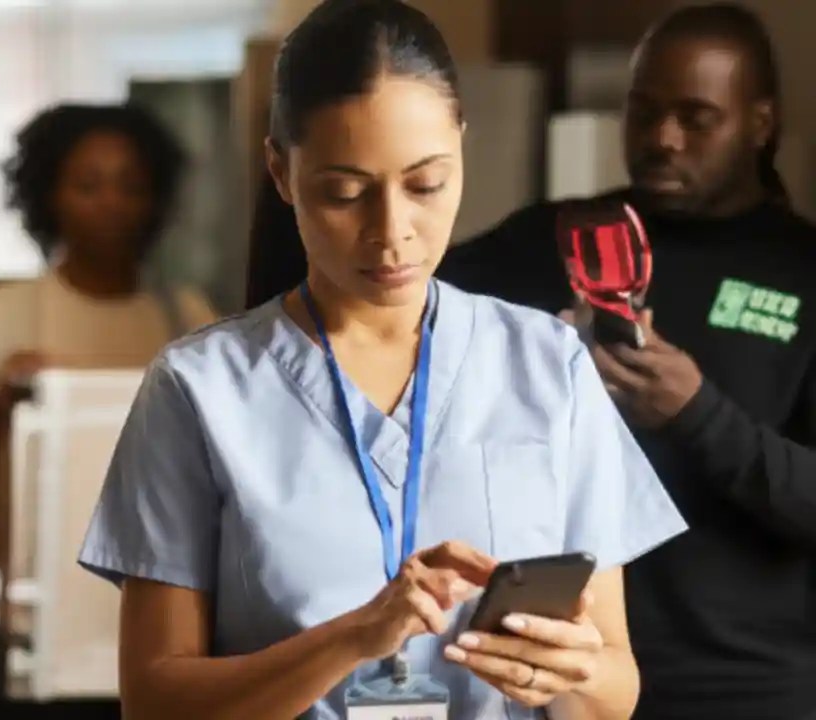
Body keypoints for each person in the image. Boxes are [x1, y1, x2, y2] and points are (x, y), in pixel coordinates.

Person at [75, 2, 687, 719]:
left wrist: (571, 672)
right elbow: (154, 704)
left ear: (461, 146)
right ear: (281, 171)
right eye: (344, 193)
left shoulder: (549, 366)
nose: (392, 231)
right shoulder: (198, 391)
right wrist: (353, 638)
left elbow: (615, 688)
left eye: (426, 185)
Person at [436, 4, 816, 719]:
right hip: (580, 681)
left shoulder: (802, 269)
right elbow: (392, 310)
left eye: (696, 118)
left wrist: (697, 415)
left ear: (760, 123)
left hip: (753, 689)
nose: (662, 138)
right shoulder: (553, 240)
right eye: (643, 111)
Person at [0, 103, 217, 511]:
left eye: (131, 186)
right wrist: (1, 407)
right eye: (87, 186)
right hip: (44, 548)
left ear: (154, 199)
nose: (111, 203)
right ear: (49, 197)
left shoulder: (188, 316)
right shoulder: (0, 315)